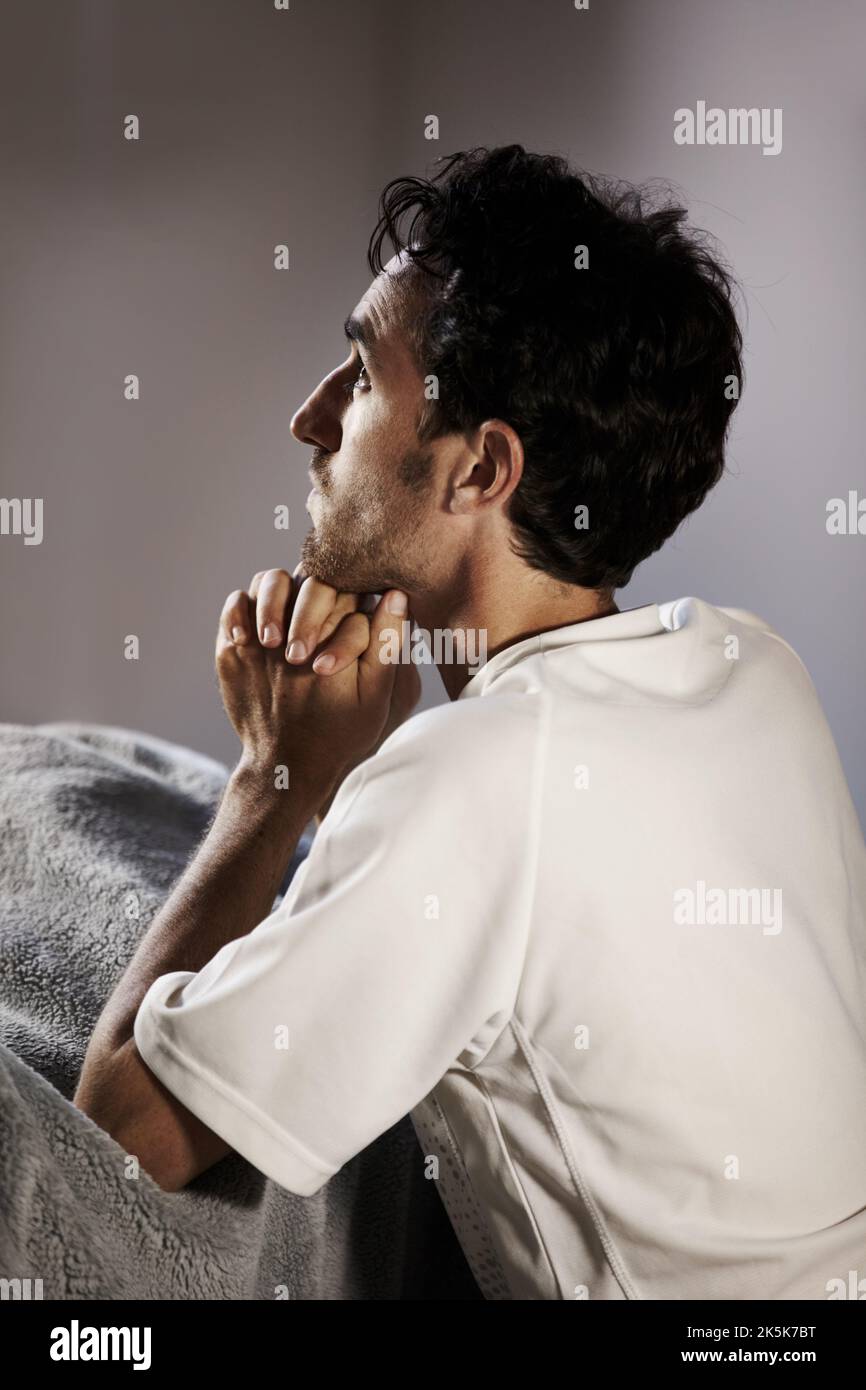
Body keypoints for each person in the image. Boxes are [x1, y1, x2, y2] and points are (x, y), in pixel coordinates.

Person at [74, 145, 866, 1300]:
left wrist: (278, 779)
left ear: (479, 468)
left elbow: (122, 1131)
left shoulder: (474, 777)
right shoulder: (755, 666)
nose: (311, 417)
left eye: (357, 374)